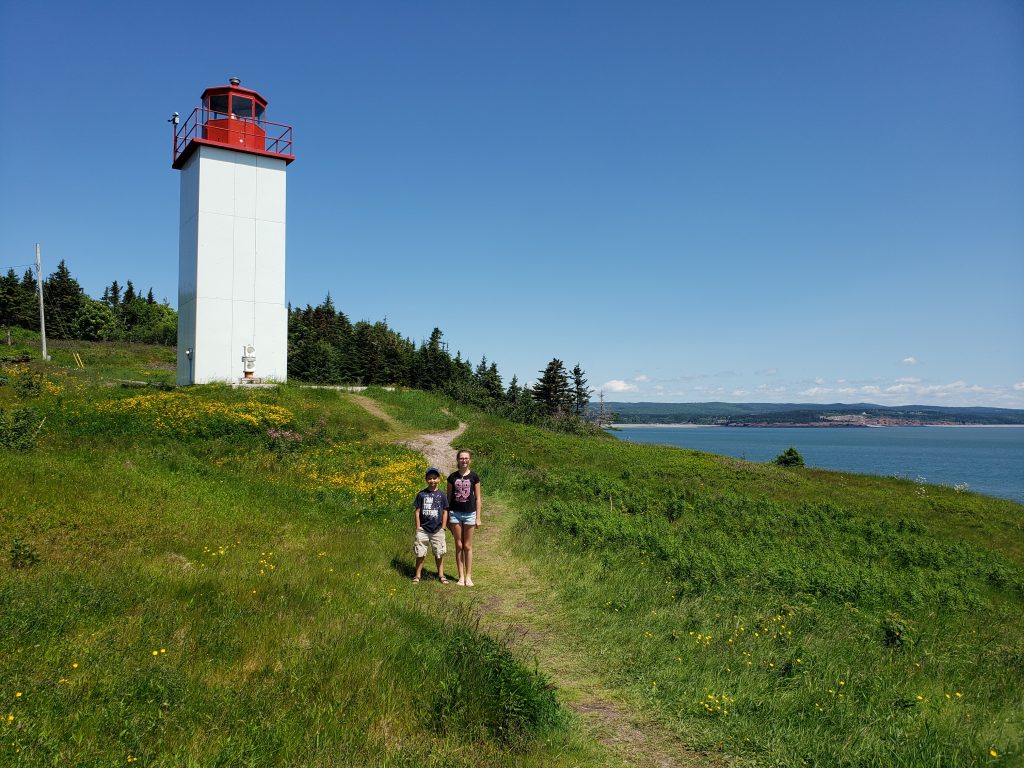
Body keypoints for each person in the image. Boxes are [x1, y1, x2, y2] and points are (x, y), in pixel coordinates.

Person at [447, 449, 482, 587]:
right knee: (459, 545)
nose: (464, 460)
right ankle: (460, 576)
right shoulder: (452, 477)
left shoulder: (474, 477)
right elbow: (448, 498)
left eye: (466, 458)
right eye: (461, 458)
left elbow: (478, 498)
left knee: (467, 546)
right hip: (454, 514)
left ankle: (469, 576)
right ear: (457, 460)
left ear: (470, 460)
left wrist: (478, 517)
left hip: (470, 514)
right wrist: (447, 516)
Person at [412, 467, 449, 583]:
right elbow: (417, 512)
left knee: (439, 553)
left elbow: (445, 512)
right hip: (423, 529)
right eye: (429, 478)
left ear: (438, 479)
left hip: (437, 529)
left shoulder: (442, 495)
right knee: (420, 553)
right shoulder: (421, 495)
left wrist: (443, 528)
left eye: (434, 478)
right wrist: (418, 527)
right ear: (426, 480)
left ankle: (441, 575)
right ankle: (417, 575)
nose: (432, 480)